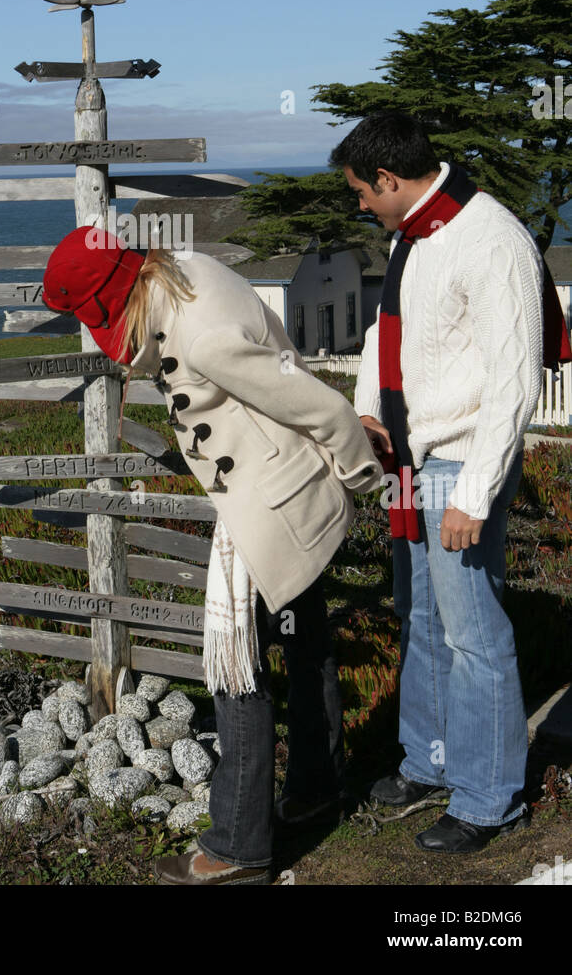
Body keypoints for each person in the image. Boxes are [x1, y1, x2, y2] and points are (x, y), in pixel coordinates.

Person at [42, 226, 383, 885]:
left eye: (99, 316)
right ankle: (315, 792)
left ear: (116, 296)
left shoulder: (200, 336)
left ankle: (237, 849)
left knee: (236, 673)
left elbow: (314, 403)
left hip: (270, 507)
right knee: (305, 644)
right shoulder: (183, 268)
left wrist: (360, 468)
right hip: (282, 489)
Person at [333, 110, 571, 854]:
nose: (358, 206)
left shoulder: (490, 238)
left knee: (475, 636)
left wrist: (474, 491)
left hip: (459, 463)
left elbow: (512, 384)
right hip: (408, 458)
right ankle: (429, 762)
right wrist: (368, 414)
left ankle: (487, 797)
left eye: (361, 193)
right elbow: (384, 332)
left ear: (389, 178)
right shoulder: (416, 230)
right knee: (422, 619)